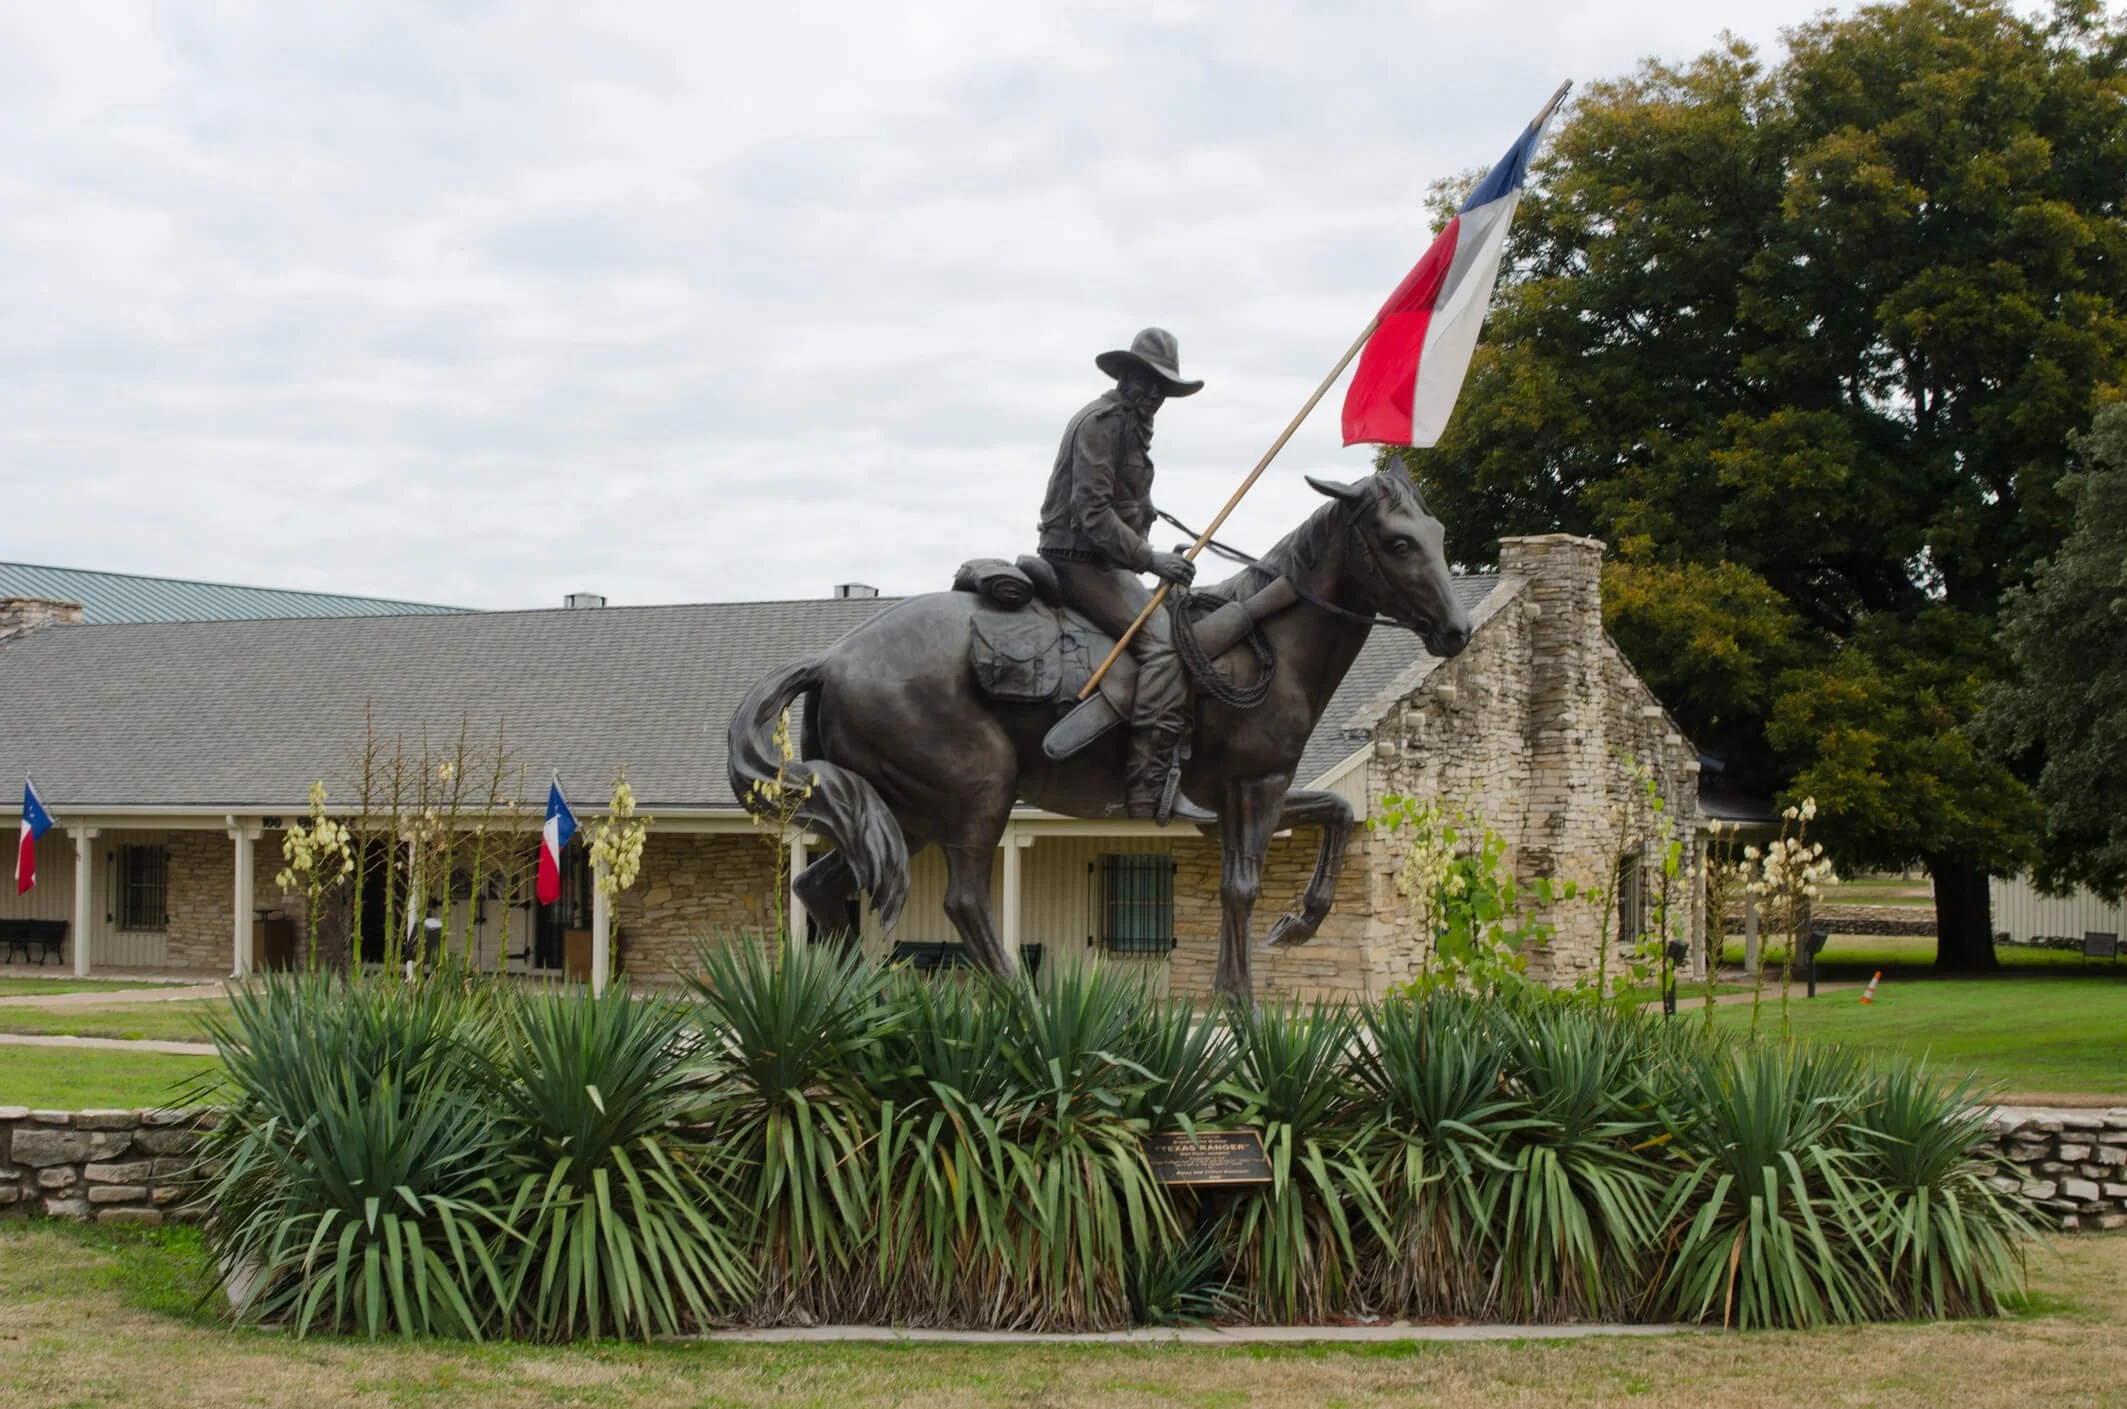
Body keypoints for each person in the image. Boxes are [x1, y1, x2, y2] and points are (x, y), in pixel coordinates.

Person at [1037, 327, 1206, 821]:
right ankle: (1147, 787)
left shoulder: (1130, 426)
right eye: (1148, 382)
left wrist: (1150, 522)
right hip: (1077, 561)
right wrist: (1150, 559)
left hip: (1108, 561)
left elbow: (1120, 500)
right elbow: (1090, 513)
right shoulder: (1102, 422)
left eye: (1164, 389)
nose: (1155, 395)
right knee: (1165, 650)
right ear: (1126, 376)